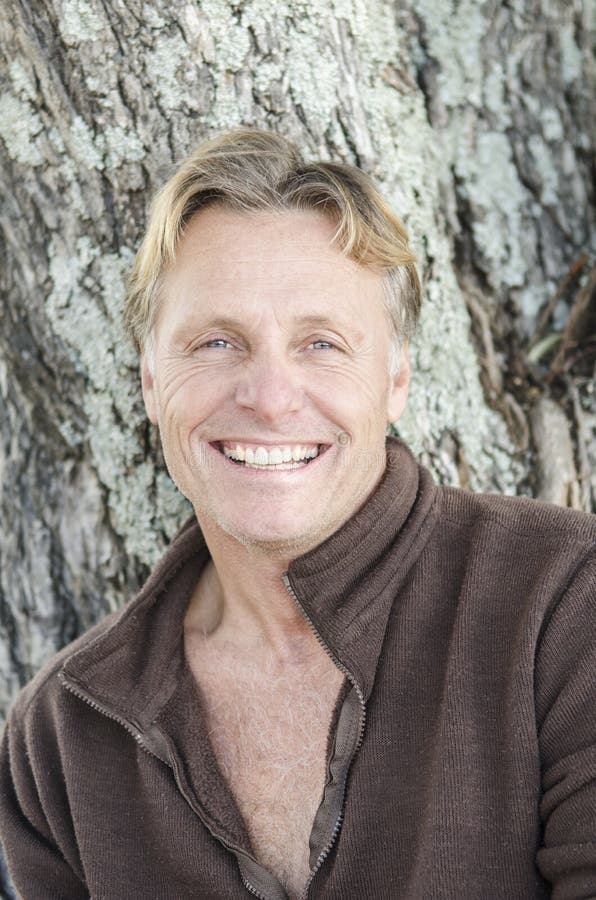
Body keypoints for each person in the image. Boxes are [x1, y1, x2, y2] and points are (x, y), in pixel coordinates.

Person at [0, 128, 594, 900]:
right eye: (216, 342)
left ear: (396, 380)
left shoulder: (565, 603)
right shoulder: (63, 735)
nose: (271, 397)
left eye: (321, 343)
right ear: (151, 382)